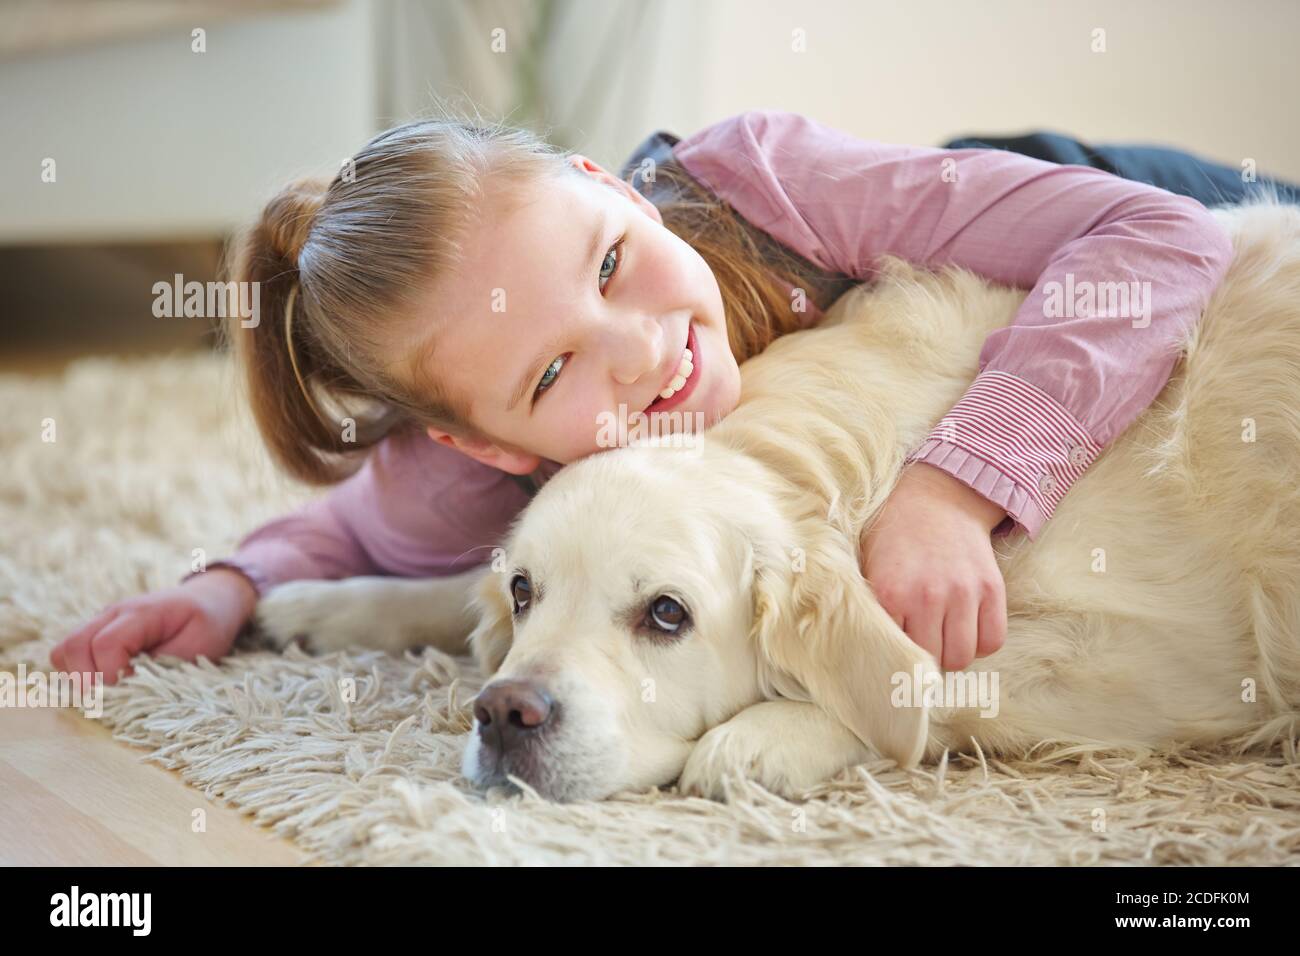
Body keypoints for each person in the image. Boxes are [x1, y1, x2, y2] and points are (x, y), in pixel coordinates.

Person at [53, 109, 1255, 685]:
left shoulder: (770, 179)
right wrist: (227, 584)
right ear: (481, 439)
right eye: (550, 374)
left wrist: (949, 491)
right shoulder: (458, 471)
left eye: (612, 264)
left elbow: (1155, 236)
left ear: (606, 184)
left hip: (1076, 187)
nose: (636, 354)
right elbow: (361, 527)